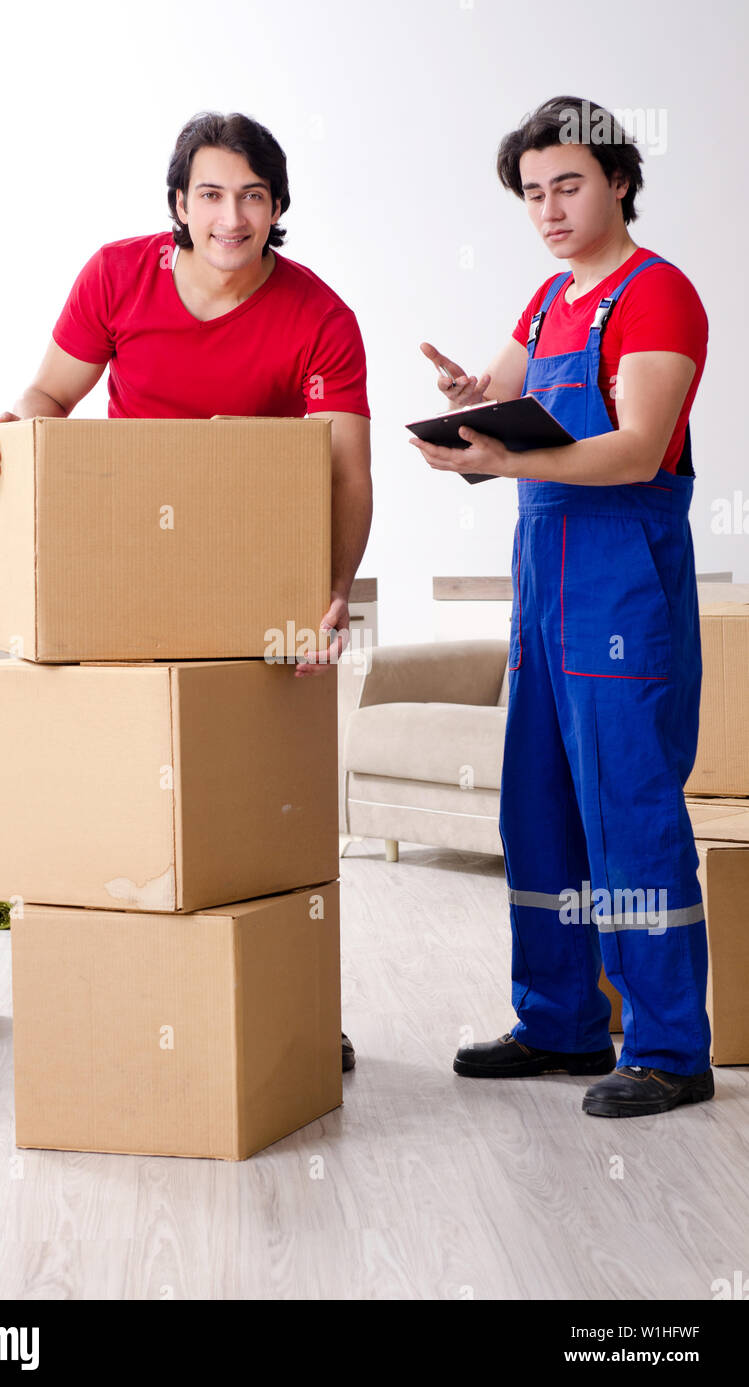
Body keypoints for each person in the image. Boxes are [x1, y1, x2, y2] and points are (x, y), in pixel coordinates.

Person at [0, 111, 371, 1074]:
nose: (230, 217)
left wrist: (331, 592)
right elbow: (47, 399)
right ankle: (133, 1014)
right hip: (125, 578)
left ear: (277, 207)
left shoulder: (320, 315)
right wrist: (12, 432)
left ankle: (292, 1011)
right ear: (177, 204)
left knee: (268, 825)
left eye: (251, 195)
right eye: (209, 194)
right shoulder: (118, 276)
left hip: (257, 594)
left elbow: (345, 475)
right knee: (125, 812)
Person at [410, 95, 711, 1117]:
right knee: (536, 803)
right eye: (533, 192)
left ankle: (671, 1047)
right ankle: (561, 1023)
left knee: (629, 808)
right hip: (546, 583)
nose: (548, 208)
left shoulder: (656, 293)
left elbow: (635, 445)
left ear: (619, 179)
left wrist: (504, 455)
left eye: (568, 185)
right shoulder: (545, 306)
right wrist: (465, 418)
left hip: (623, 577)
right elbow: (495, 424)